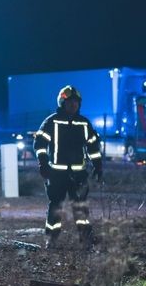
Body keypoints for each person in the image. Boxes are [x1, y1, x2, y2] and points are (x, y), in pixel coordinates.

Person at [33, 85, 103, 248]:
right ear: (62, 103)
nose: (73, 105)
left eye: (76, 102)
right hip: (56, 174)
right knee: (55, 208)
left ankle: (86, 241)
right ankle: (51, 240)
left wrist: (98, 166)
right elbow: (40, 144)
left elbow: (93, 147)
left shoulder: (84, 123)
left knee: (81, 209)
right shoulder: (52, 121)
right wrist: (43, 164)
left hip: (79, 175)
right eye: (70, 102)